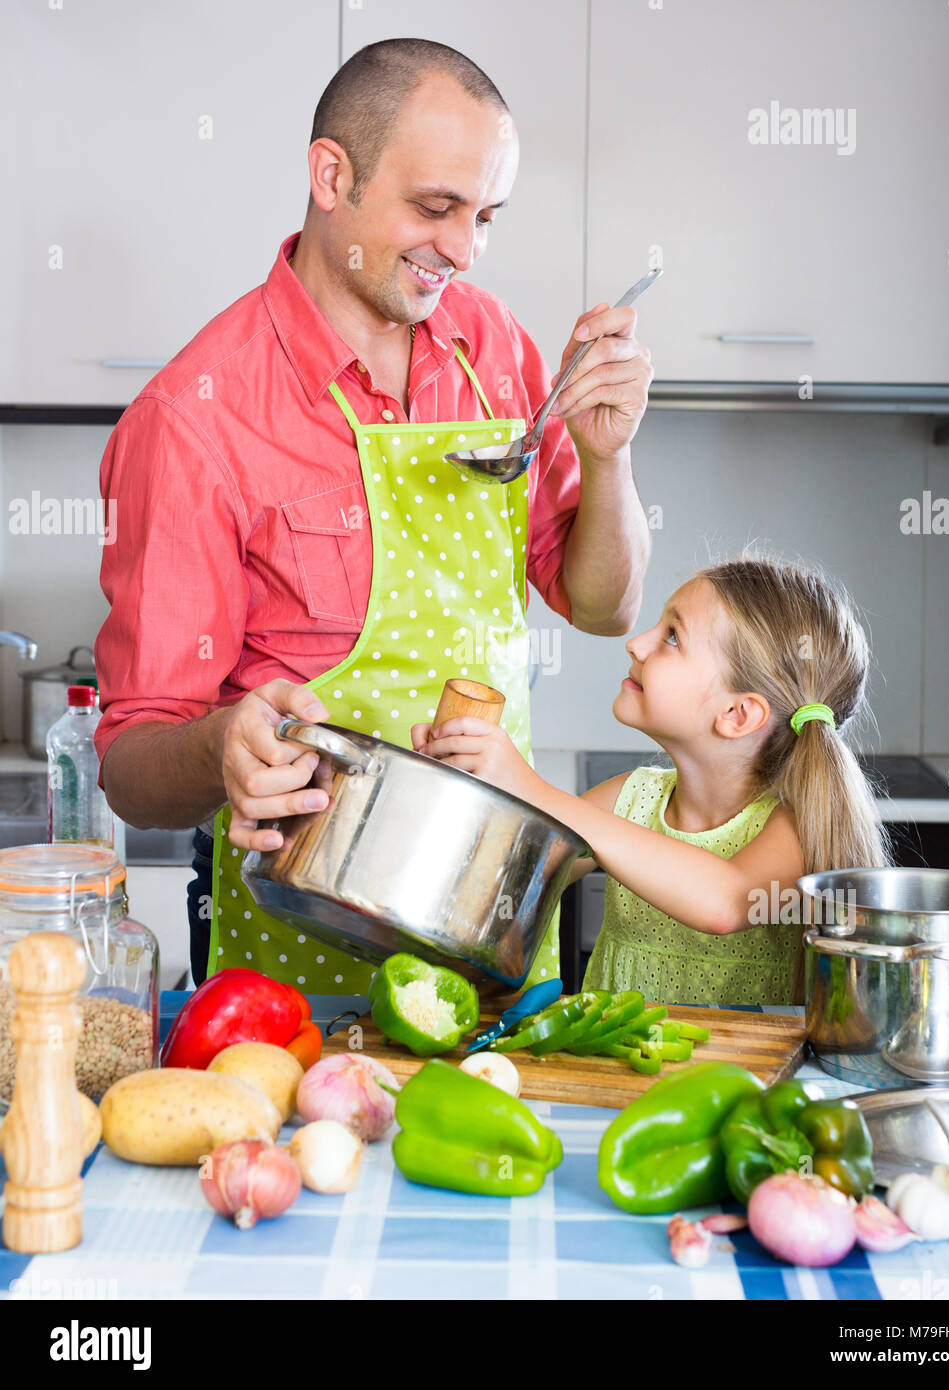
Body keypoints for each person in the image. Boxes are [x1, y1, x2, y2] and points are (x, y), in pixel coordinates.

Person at [94, 38, 652, 993]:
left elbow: (604, 607)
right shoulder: (195, 421)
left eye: (485, 216)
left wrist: (607, 457)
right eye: (434, 208)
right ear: (329, 174)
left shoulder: (495, 350)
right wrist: (220, 742)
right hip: (296, 959)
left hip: (491, 932)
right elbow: (132, 767)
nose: (463, 249)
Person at [414, 553, 891, 1006]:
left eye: (672, 637)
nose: (637, 643)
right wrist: (460, 791)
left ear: (736, 713)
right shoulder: (629, 799)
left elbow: (722, 901)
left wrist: (534, 791)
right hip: (615, 1081)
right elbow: (504, 880)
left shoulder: (793, 829)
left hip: (737, 1085)